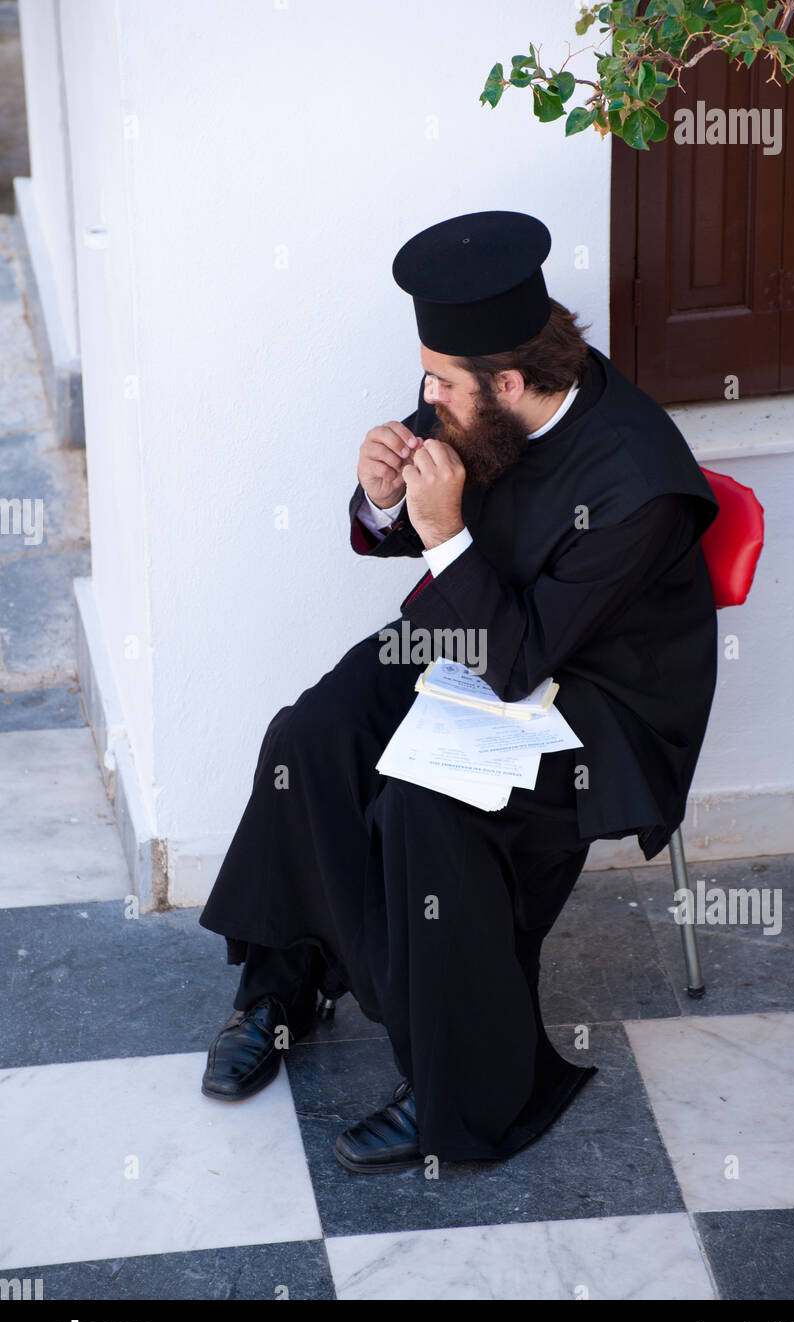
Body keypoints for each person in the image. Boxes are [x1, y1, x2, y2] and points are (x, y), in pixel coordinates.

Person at [198, 209, 720, 1173]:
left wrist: (441, 533)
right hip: (481, 637)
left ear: (509, 382)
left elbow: (524, 662)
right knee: (311, 732)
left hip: (599, 703)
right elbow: (431, 520)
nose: (425, 399)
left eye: (440, 382)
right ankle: (287, 984)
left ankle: (467, 1083)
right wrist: (386, 497)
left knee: (425, 809)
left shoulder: (640, 484)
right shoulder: (481, 395)